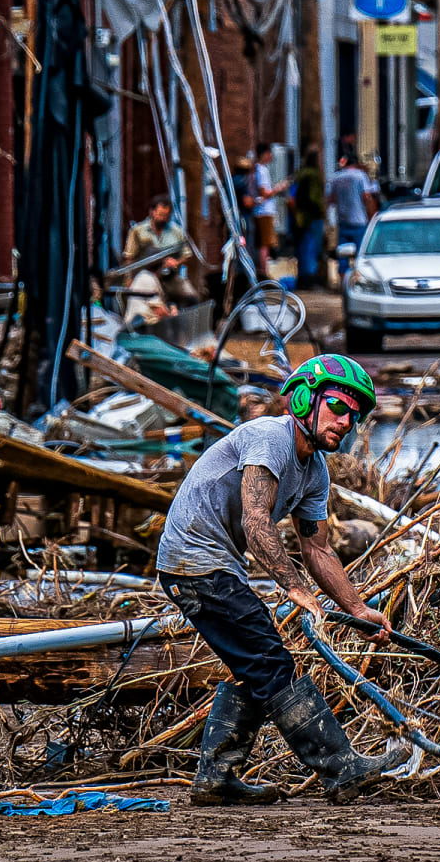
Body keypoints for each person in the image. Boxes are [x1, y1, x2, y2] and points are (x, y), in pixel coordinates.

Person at [157, 355, 409, 806]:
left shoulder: (315, 472)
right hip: (193, 561)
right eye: (337, 406)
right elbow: (256, 521)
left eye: (353, 415)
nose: (346, 421)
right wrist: (296, 589)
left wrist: (357, 609)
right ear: (304, 400)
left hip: (214, 566)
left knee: (255, 666)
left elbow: (318, 549)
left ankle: (216, 778)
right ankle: (340, 767)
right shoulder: (269, 438)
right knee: (270, 662)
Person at [123, 195, 202, 305]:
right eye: (160, 215)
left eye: (166, 216)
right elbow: (129, 257)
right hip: (145, 277)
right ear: (152, 212)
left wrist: (176, 262)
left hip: (169, 277)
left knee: (191, 296)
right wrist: (129, 279)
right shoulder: (137, 231)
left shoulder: (176, 231)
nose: (163, 218)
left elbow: (187, 255)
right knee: (146, 303)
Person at [327, 149, 378, 281]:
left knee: (342, 256)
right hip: (359, 222)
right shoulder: (360, 176)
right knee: (361, 256)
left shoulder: (336, 178)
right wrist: (372, 215)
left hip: (343, 222)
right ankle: (359, 282)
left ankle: (343, 282)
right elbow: (366, 197)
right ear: (356, 163)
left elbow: (331, 199)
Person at [290, 146, 327, 290]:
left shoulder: (301, 173)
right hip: (312, 217)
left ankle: (303, 277)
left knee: (303, 248)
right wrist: (322, 211)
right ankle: (310, 279)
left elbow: (292, 195)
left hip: (300, 217)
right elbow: (314, 198)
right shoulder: (313, 175)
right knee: (312, 248)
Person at [252, 145, 287, 271]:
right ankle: (263, 272)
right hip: (264, 211)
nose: (271, 156)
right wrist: (279, 188)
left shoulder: (260, 169)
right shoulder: (261, 170)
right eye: (269, 153)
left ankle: (263, 270)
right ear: (264, 154)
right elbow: (264, 193)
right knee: (265, 244)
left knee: (265, 244)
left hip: (264, 211)